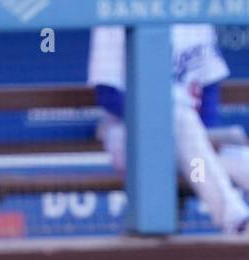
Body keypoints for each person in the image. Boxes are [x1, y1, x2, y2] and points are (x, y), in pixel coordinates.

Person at [89, 24, 249, 235]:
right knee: (177, 114)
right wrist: (155, 121)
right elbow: (107, 93)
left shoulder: (195, 16)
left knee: (241, 160)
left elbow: (209, 85)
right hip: (133, 139)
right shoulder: (114, 18)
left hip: (194, 157)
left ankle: (237, 220)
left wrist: (208, 136)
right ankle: (236, 219)